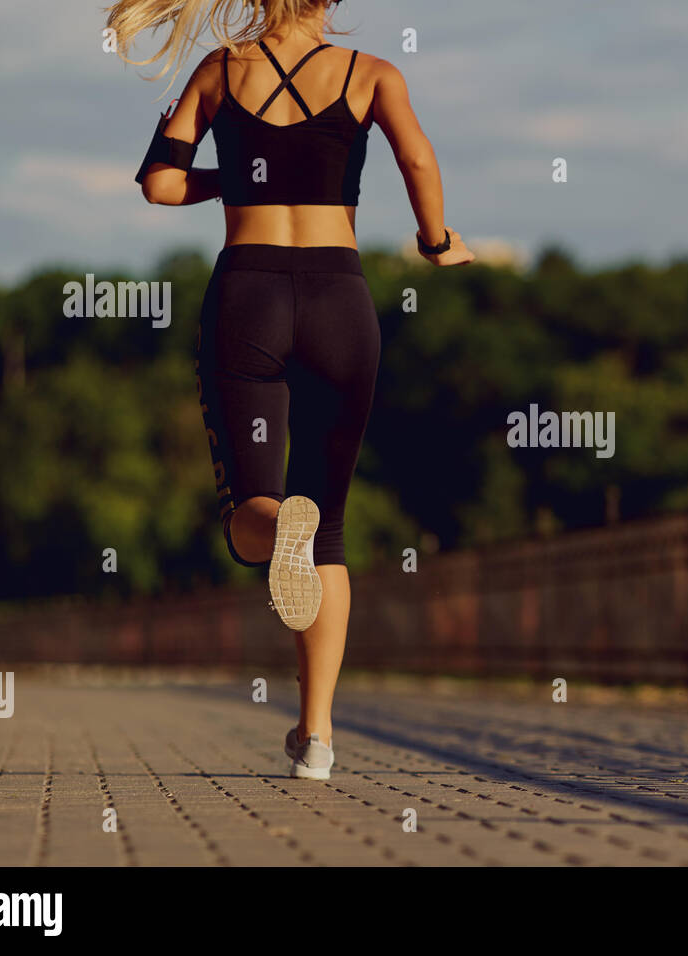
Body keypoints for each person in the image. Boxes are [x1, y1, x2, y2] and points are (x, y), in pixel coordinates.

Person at [109, 0, 474, 779]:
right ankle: (317, 740)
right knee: (330, 531)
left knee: (251, 509)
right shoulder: (373, 74)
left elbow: (160, 185)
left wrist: (239, 177)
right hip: (342, 302)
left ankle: (280, 536)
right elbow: (418, 161)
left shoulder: (220, 69)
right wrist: (435, 242)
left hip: (249, 296)